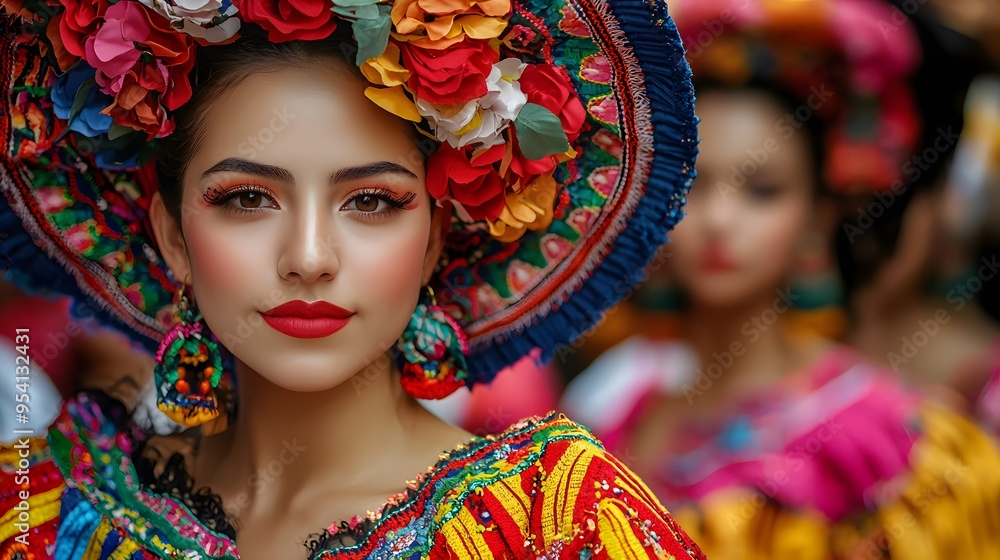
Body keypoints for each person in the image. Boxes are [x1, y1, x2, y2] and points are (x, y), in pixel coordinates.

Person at [0, 0, 705, 558]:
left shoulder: (559, 525)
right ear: (172, 238)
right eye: (247, 198)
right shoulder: (50, 508)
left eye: (370, 201)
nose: (309, 258)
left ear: (435, 237)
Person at [562, 0, 1000, 557]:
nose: (720, 221)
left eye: (762, 191)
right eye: (693, 186)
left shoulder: (888, 438)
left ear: (817, 215)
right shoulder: (616, 420)